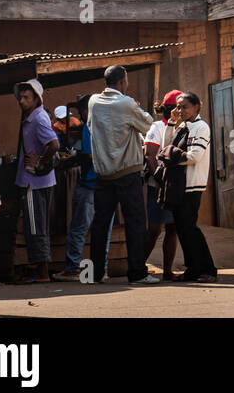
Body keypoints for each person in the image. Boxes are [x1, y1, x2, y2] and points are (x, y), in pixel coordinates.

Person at [87, 65, 159, 284]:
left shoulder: (93, 102)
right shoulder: (126, 103)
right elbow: (147, 125)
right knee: (135, 223)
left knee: (100, 223)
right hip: (128, 173)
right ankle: (137, 272)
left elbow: (92, 127)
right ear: (122, 82)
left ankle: (96, 273)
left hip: (103, 174)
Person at [163, 92, 216, 282]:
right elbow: (165, 147)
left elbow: (194, 157)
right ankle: (193, 269)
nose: (179, 110)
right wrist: (170, 125)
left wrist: (172, 156)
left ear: (196, 107)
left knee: (189, 228)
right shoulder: (183, 127)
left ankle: (207, 269)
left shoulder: (201, 127)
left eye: (184, 107)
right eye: (178, 107)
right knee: (183, 229)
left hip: (192, 185)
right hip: (179, 186)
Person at [13, 79, 58, 283]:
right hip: (38, 181)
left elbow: (54, 145)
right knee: (37, 224)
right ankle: (40, 268)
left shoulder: (38, 118)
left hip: (34, 182)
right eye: (20, 97)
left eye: (26, 98)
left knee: (35, 226)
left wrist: (39, 160)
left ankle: (43, 273)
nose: (21, 101)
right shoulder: (33, 116)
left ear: (36, 99)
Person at [54, 95, 97, 281]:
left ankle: (72, 268)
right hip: (105, 184)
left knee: (79, 228)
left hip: (88, 183)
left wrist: (70, 160)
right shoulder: (107, 124)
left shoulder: (88, 126)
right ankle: (101, 268)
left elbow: (87, 155)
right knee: (102, 228)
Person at [142, 91, 180, 280]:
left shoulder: (185, 127)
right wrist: (159, 179)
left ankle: (167, 270)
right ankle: (139, 266)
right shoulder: (157, 127)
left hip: (176, 185)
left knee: (172, 228)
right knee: (155, 229)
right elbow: (150, 154)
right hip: (158, 185)